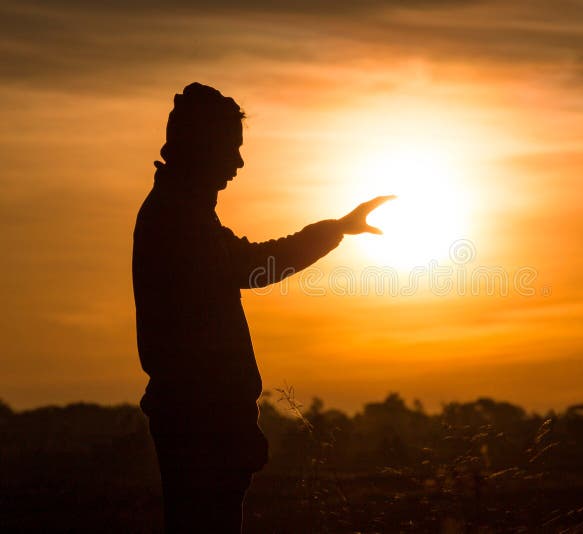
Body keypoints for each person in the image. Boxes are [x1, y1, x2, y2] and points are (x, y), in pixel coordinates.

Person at [132, 82, 392, 533]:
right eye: (230, 148)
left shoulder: (183, 213)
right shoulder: (179, 218)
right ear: (202, 145)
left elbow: (247, 266)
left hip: (203, 422)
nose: (238, 162)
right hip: (202, 426)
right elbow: (252, 266)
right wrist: (336, 231)